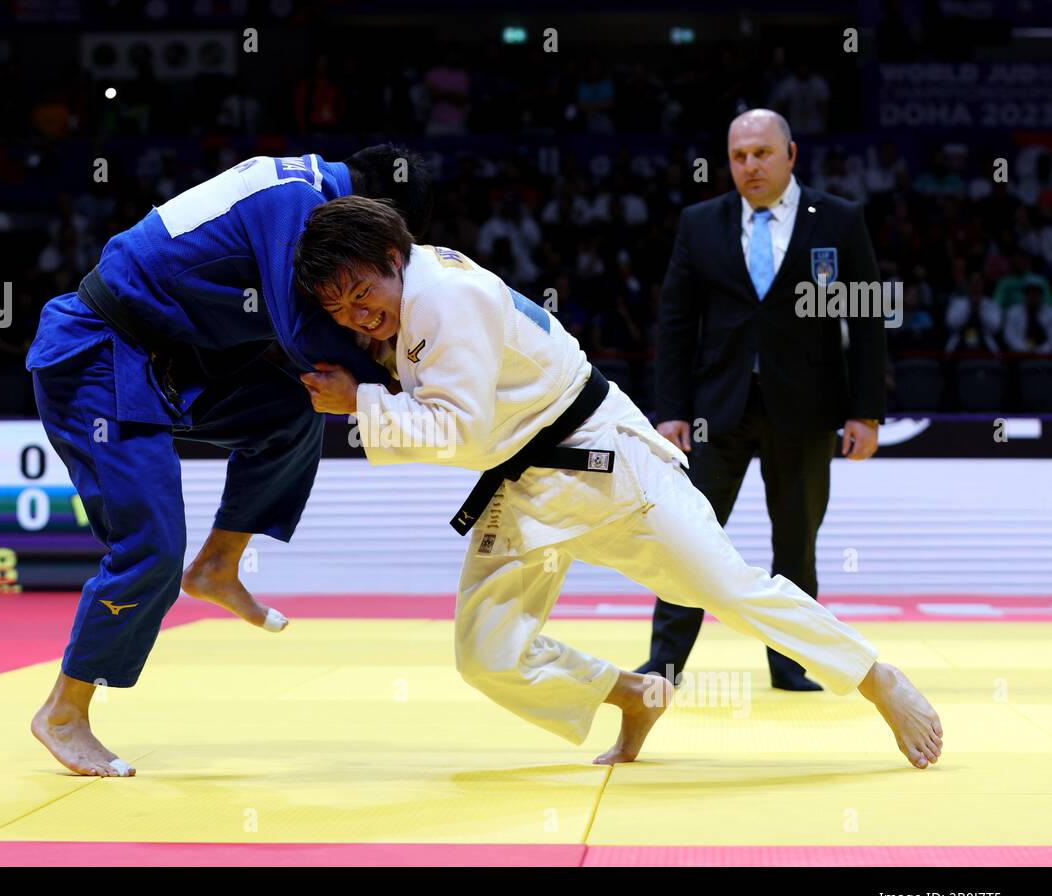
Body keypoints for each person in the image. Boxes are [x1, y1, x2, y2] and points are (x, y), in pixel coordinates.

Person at [294, 195, 943, 770]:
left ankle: (874, 676)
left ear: (392, 255)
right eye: (339, 308)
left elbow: (460, 432)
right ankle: (634, 693)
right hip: (525, 486)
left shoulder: (444, 296)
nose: (357, 315)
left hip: (603, 457)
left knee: (728, 586)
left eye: (361, 294)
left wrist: (360, 404)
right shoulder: (417, 288)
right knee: (485, 653)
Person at [26, 147, 433, 777]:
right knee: (151, 548)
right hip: (99, 356)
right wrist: (413, 390)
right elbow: (303, 339)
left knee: (289, 414)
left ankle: (219, 563)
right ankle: (64, 712)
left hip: (173, 360)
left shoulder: (303, 191)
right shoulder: (296, 201)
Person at [643, 109, 886, 691]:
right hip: (716, 410)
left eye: (761, 154)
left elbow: (868, 320)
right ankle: (665, 664)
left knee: (796, 543)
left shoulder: (838, 219)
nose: (749, 166)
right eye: (738, 156)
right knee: (689, 539)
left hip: (806, 407)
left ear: (791, 155)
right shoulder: (701, 223)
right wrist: (671, 409)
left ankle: (791, 664)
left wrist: (866, 411)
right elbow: (676, 323)